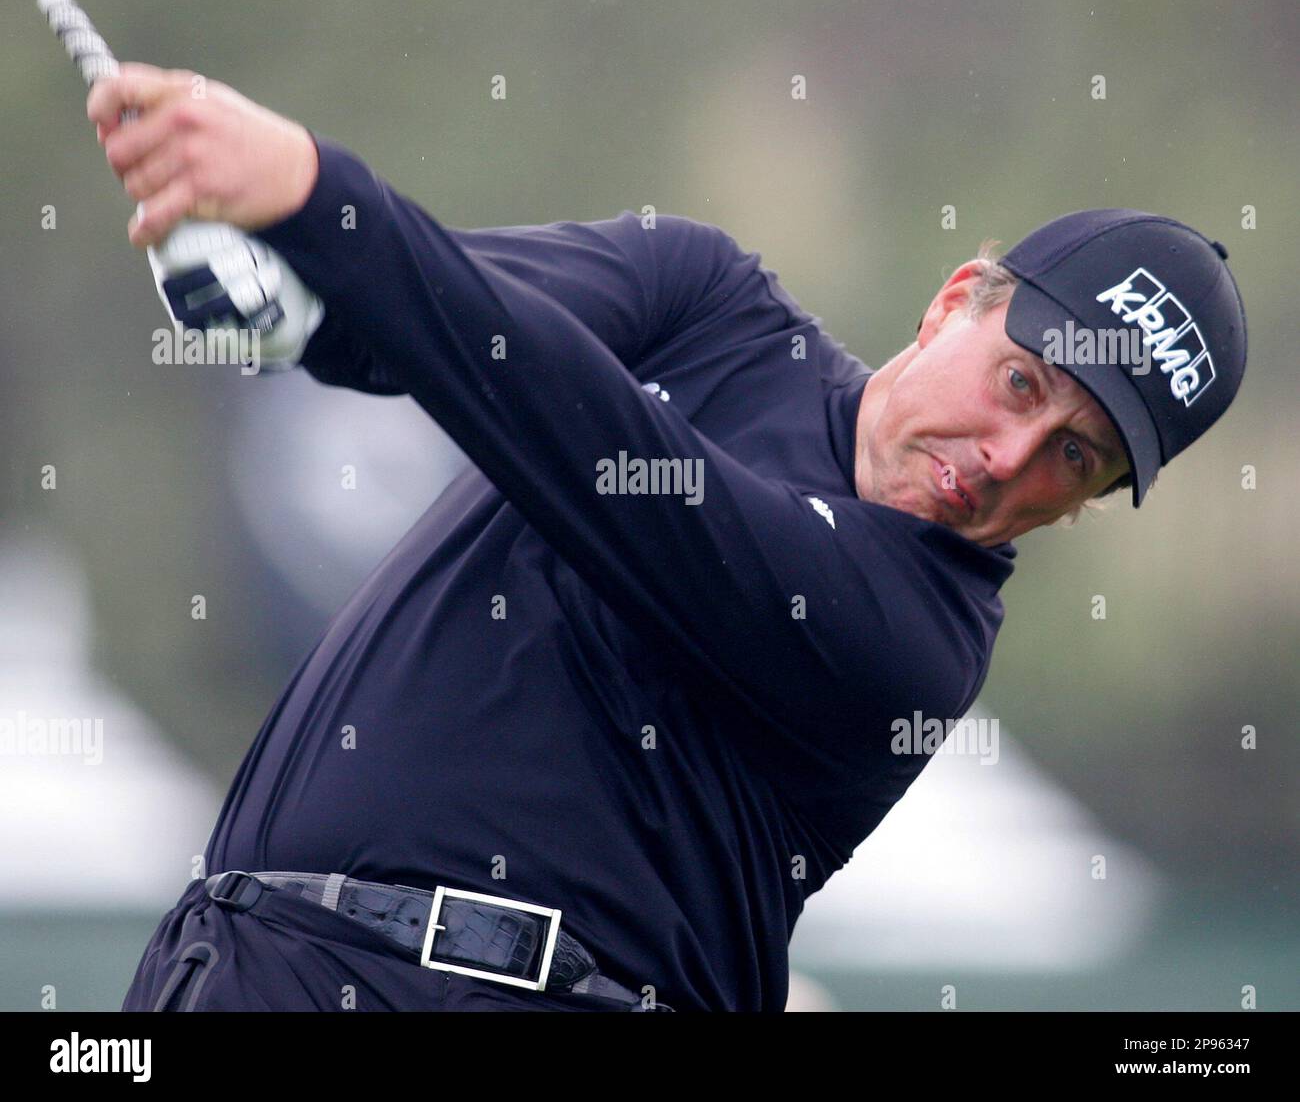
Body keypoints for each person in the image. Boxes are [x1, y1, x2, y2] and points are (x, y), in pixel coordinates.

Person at [90, 65, 1247, 1012]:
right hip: (229, 969)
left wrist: (315, 196)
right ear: (953, 301)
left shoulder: (916, 641)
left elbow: (612, 470)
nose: (1011, 455)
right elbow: (413, 329)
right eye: (1019, 379)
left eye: (1076, 455)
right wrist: (264, 270)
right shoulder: (702, 297)